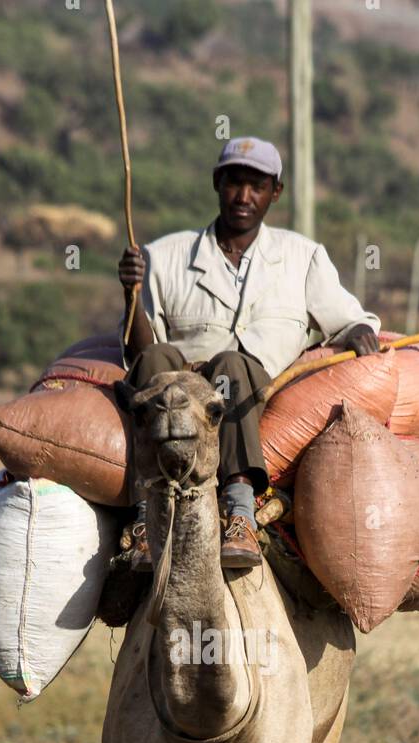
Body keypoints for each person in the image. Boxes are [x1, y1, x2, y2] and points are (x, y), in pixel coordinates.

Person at [117, 135, 381, 570]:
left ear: (274, 193)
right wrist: (131, 294)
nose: (243, 196)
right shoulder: (162, 257)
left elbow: (350, 318)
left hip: (250, 395)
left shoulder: (303, 257)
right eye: (234, 183)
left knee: (232, 365)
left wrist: (356, 332)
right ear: (217, 184)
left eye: (256, 186)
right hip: (178, 398)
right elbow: (140, 353)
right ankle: (146, 515)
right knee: (156, 364)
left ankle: (239, 510)